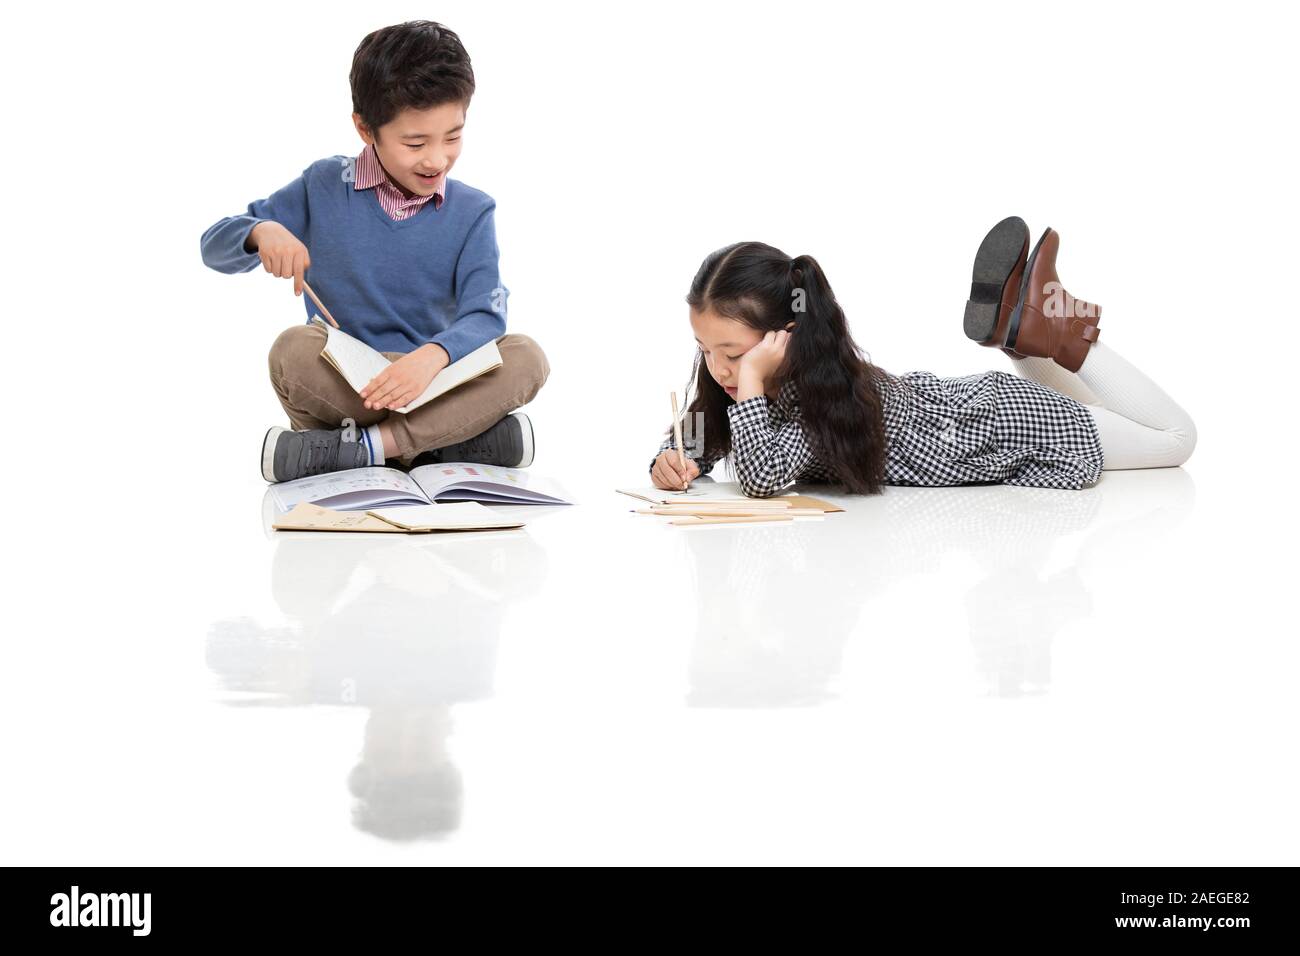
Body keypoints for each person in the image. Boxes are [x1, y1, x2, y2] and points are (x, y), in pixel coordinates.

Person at [200, 20, 549, 482]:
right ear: (366, 129)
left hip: (435, 380)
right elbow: (213, 246)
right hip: (355, 384)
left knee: (526, 356)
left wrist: (432, 357)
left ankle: (364, 448)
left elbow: (485, 315)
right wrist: (261, 232)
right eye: (415, 142)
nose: (437, 159)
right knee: (292, 350)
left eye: (453, 137)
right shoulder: (323, 185)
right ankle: (449, 443)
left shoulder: (473, 211)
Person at [649, 221, 1197, 497]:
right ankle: (1021, 332)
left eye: (733, 353)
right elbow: (704, 429)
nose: (719, 370)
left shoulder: (814, 399)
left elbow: (760, 478)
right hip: (968, 407)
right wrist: (675, 455)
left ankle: (1064, 337)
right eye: (705, 350)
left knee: (1177, 438)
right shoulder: (754, 382)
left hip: (1004, 426)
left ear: (785, 339)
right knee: (1100, 409)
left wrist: (748, 382)